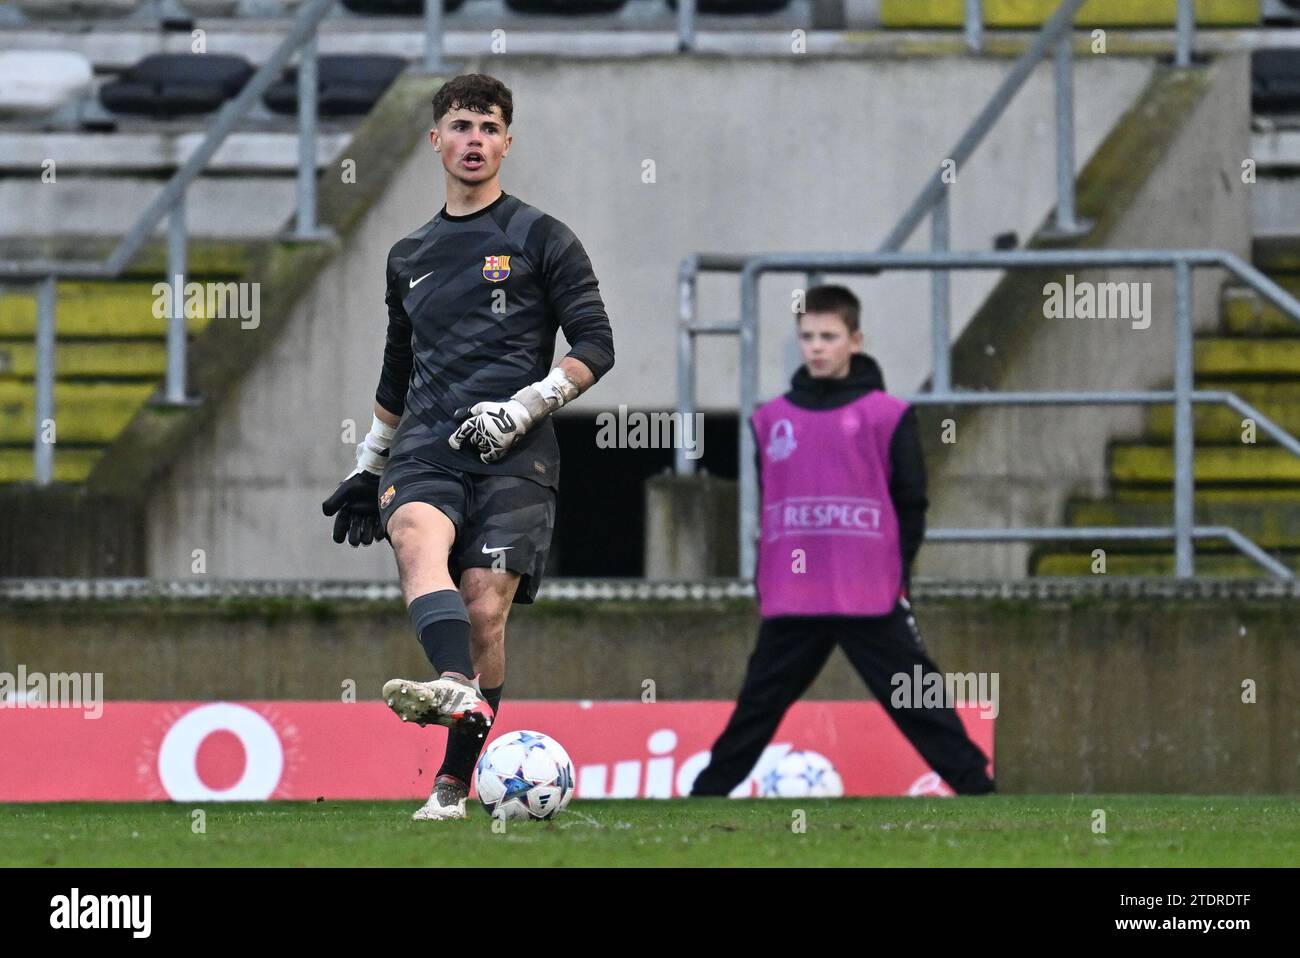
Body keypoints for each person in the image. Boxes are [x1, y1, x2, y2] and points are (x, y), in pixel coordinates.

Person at [322, 73, 615, 820]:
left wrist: (524, 408)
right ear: (436, 141)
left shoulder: (542, 237)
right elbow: (396, 372)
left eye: (487, 128)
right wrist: (368, 465)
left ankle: (453, 785)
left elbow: (595, 346)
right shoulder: (408, 253)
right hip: (426, 442)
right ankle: (452, 683)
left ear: (506, 143)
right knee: (417, 537)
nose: (473, 140)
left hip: (520, 451)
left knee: (486, 611)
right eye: (460, 126)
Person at [690, 285, 994, 797]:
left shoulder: (888, 414)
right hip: (796, 594)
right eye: (807, 336)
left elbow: (911, 502)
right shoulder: (771, 419)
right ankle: (706, 795)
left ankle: (977, 789)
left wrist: (897, 574)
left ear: (855, 340)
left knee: (916, 697)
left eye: (828, 336)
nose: (816, 347)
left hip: (867, 591)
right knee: (758, 703)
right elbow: (773, 503)